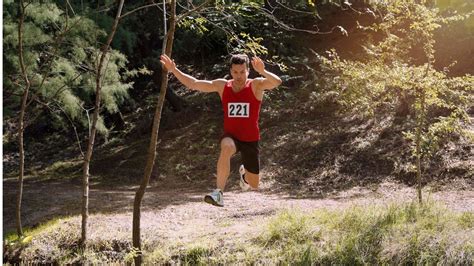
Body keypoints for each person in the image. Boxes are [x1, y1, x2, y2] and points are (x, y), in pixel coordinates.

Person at [160, 53, 282, 207]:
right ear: (231, 71)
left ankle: (244, 175)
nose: (239, 76)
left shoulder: (255, 85)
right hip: (231, 136)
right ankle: (218, 193)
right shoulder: (223, 86)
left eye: (242, 72)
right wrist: (174, 70)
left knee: (254, 184)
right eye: (236, 72)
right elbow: (195, 83)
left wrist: (263, 71)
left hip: (250, 138)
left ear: (248, 71)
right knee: (227, 147)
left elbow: (277, 82)